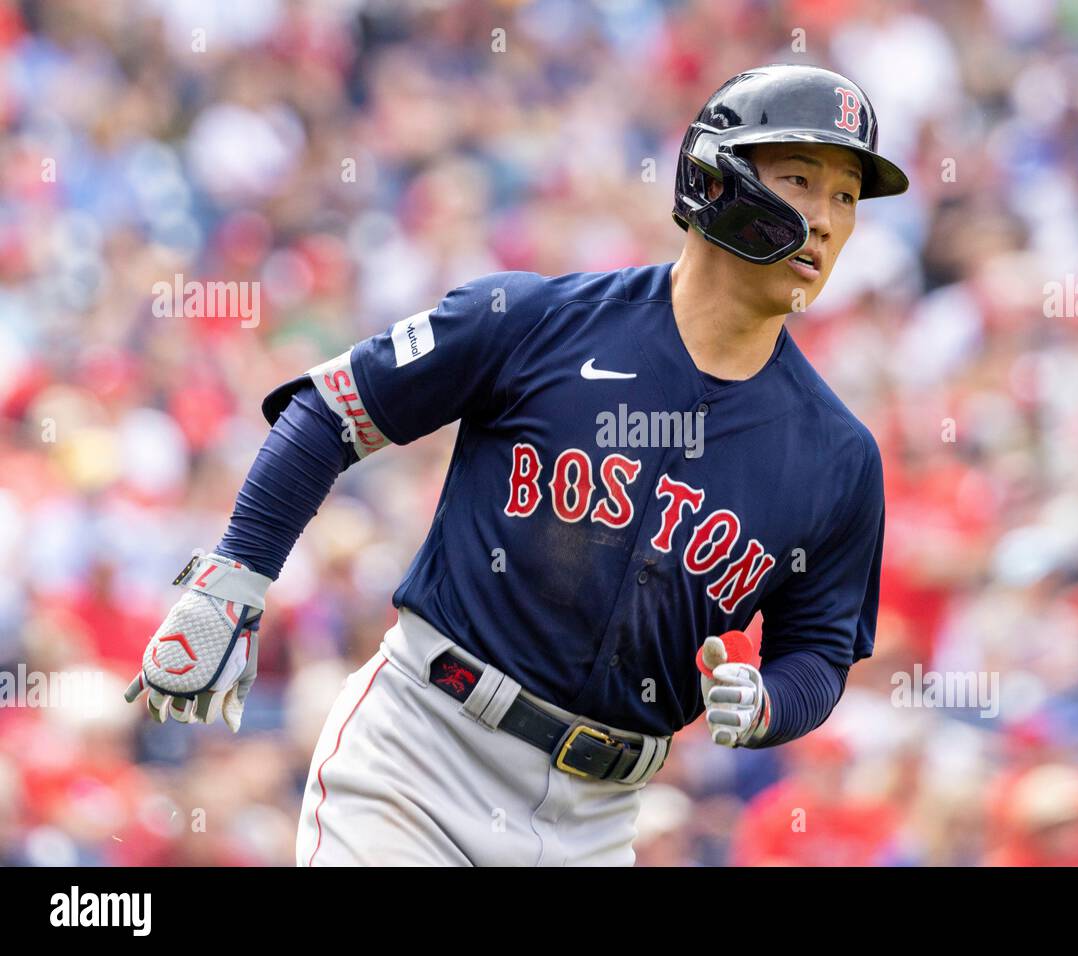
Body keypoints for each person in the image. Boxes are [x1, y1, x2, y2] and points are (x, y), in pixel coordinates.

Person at [124, 63, 908, 866]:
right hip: (421, 757)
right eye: (801, 179)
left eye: (845, 197)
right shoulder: (536, 321)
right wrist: (234, 580)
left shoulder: (837, 457)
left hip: (600, 818)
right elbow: (330, 411)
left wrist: (770, 702)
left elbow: (816, 648)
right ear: (715, 178)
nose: (823, 219)